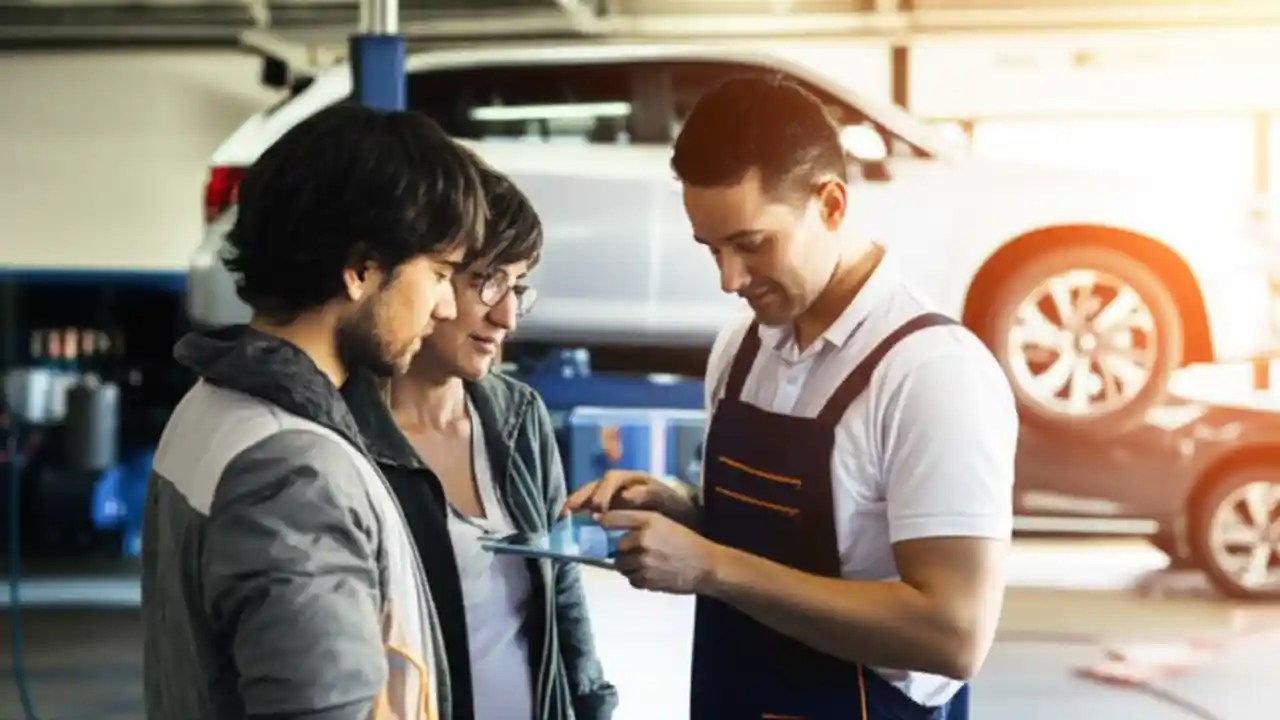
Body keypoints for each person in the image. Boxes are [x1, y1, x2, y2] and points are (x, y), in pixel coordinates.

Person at [566, 75, 1018, 719]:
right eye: (712, 249)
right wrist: (687, 515)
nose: (729, 279)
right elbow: (800, 547)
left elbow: (953, 633)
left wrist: (711, 567)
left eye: (751, 245)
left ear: (831, 204)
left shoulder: (932, 375)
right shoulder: (743, 347)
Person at [141, 103, 486, 720]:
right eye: (438, 273)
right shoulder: (295, 474)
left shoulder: (210, 408)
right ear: (360, 270)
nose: (442, 308)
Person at [342, 161, 618, 720]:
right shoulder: (347, 433)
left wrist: (591, 708)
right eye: (488, 282)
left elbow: (562, 595)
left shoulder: (518, 417)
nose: (508, 315)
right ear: (434, 278)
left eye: (518, 287)